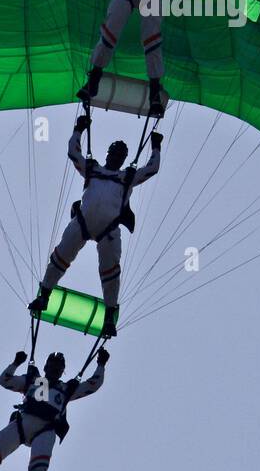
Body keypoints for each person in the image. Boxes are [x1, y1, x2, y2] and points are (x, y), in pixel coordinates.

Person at [28, 118, 163, 336]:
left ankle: (109, 317)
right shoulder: (92, 169)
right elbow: (74, 153)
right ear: (108, 153)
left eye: (121, 155)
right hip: (82, 222)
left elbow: (152, 168)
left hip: (108, 230)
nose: (117, 156)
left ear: (124, 159)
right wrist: (79, 129)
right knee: (60, 258)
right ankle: (44, 296)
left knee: (110, 273)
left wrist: (156, 146)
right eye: (114, 152)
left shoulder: (127, 177)